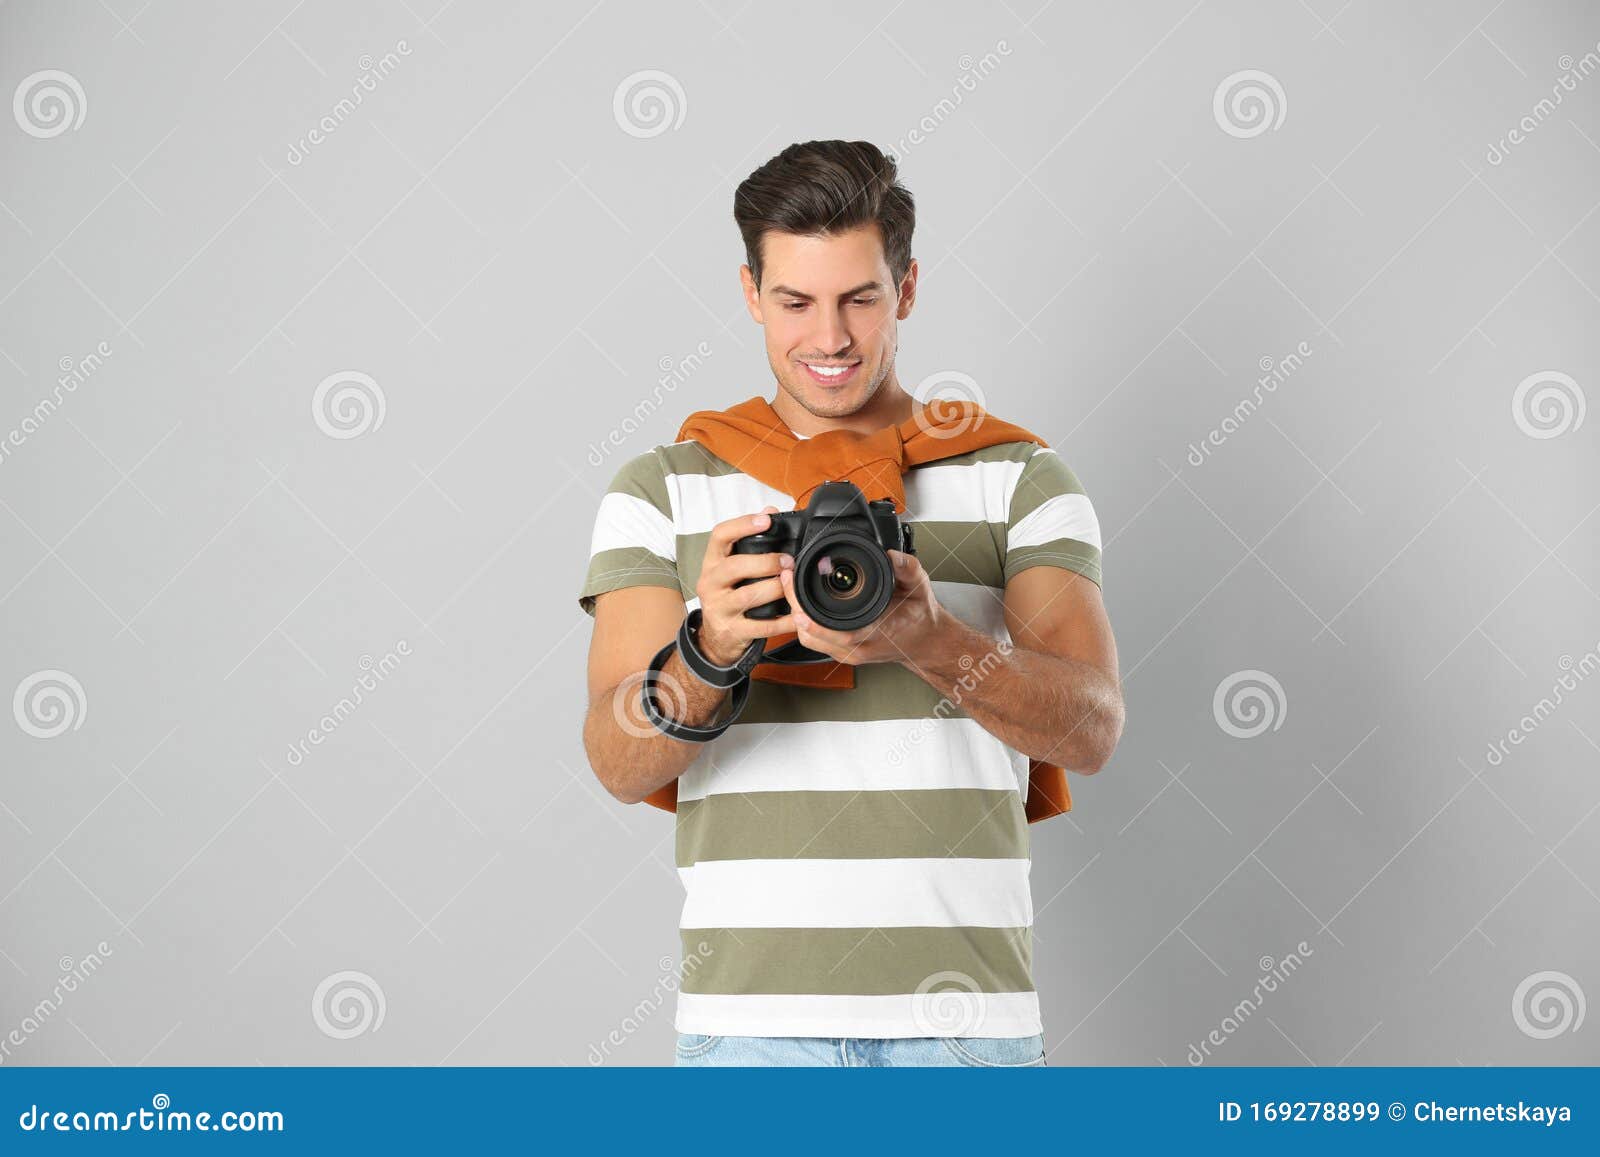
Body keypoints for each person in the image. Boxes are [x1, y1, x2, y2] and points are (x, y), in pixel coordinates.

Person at [578, 140, 1124, 1067]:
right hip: (751, 1036)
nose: (828, 338)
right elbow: (618, 759)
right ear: (750, 293)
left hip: (966, 1033)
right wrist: (711, 649)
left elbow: (1091, 730)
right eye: (794, 301)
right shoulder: (663, 487)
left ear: (906, 288)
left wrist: (934, 639)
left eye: (859, 299)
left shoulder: (1017, 476)